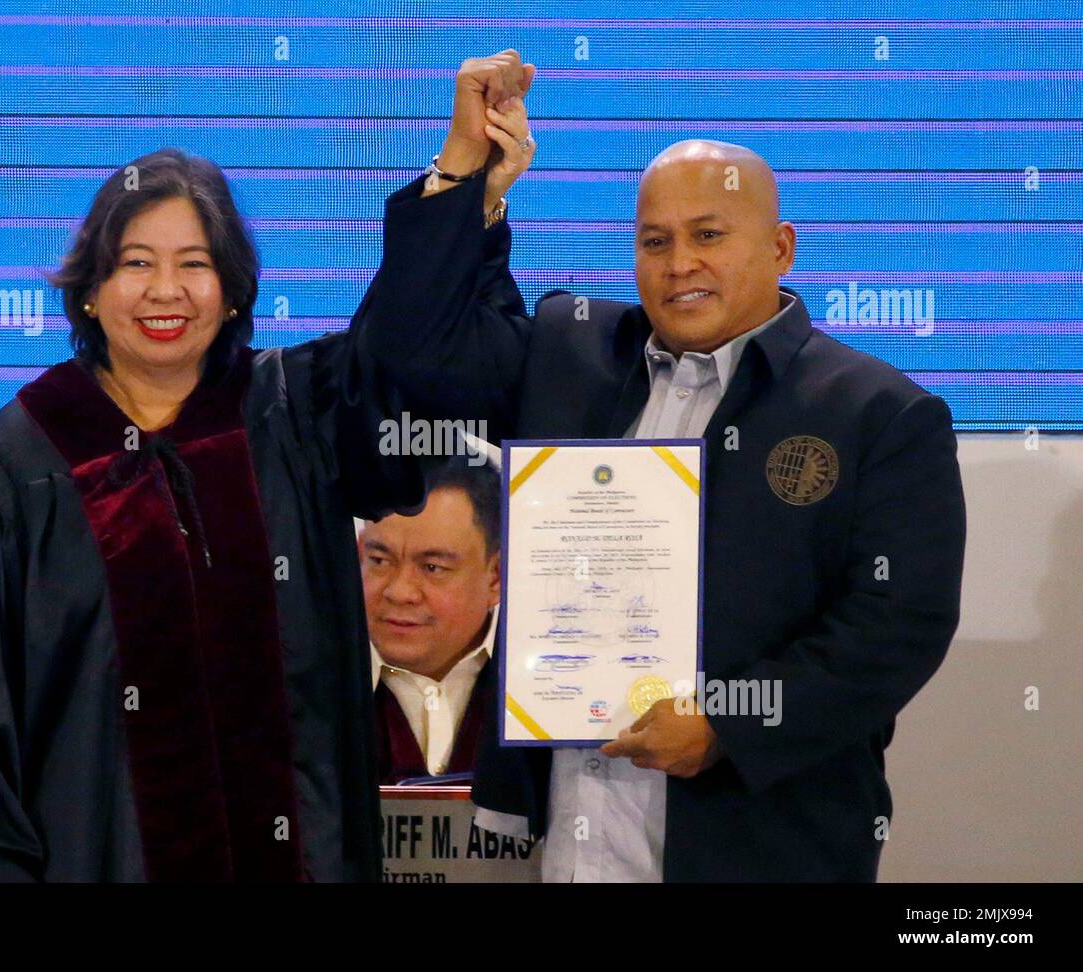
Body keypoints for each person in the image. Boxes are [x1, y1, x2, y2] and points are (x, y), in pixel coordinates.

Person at [0, 132, 533, 882]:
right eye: (136, 263)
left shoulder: (298, 419)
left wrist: (465, 177)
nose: (165, 291)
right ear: (88, 288)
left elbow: (417, 358)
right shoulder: (0, 480)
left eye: (195, 265)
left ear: (232, 289)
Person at [372, 53, 967, 881]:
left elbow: (895, 628)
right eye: (655, 241)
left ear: (782, 247)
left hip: (762, 847)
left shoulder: (877, 412)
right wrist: (471, 176)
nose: (679, 262)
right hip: (572, 837)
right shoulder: (569, 350)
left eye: (709, 235)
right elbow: (414, 349)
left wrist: (729, 723)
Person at [359, 450, 501, 783]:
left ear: (496, 576)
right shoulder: (301, 687)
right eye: (380, 560)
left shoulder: (549, 695)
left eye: (432, 567)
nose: (400, 591)